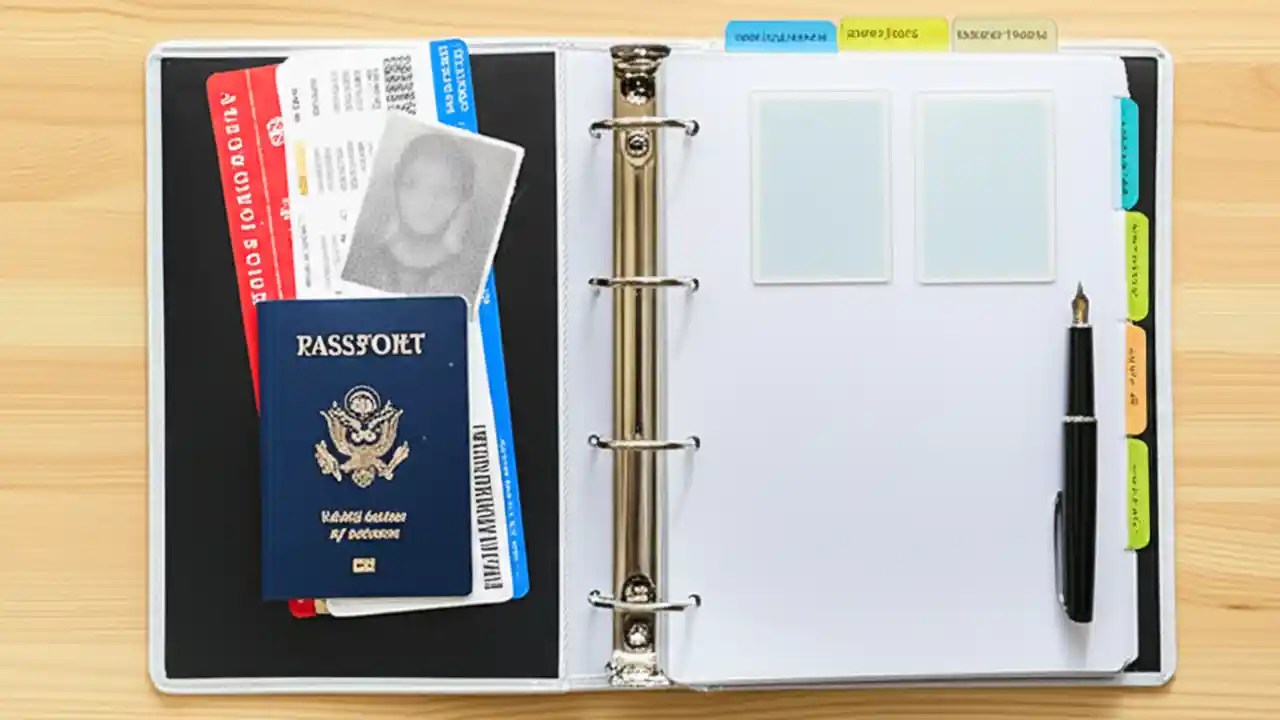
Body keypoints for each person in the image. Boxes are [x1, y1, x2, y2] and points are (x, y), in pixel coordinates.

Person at [343, 130, 477, 295]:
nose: (428, 201)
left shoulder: (467, 279)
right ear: (396, 187)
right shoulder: (360, 264)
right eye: (412, 184)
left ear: (461, 199)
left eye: (445, 189)